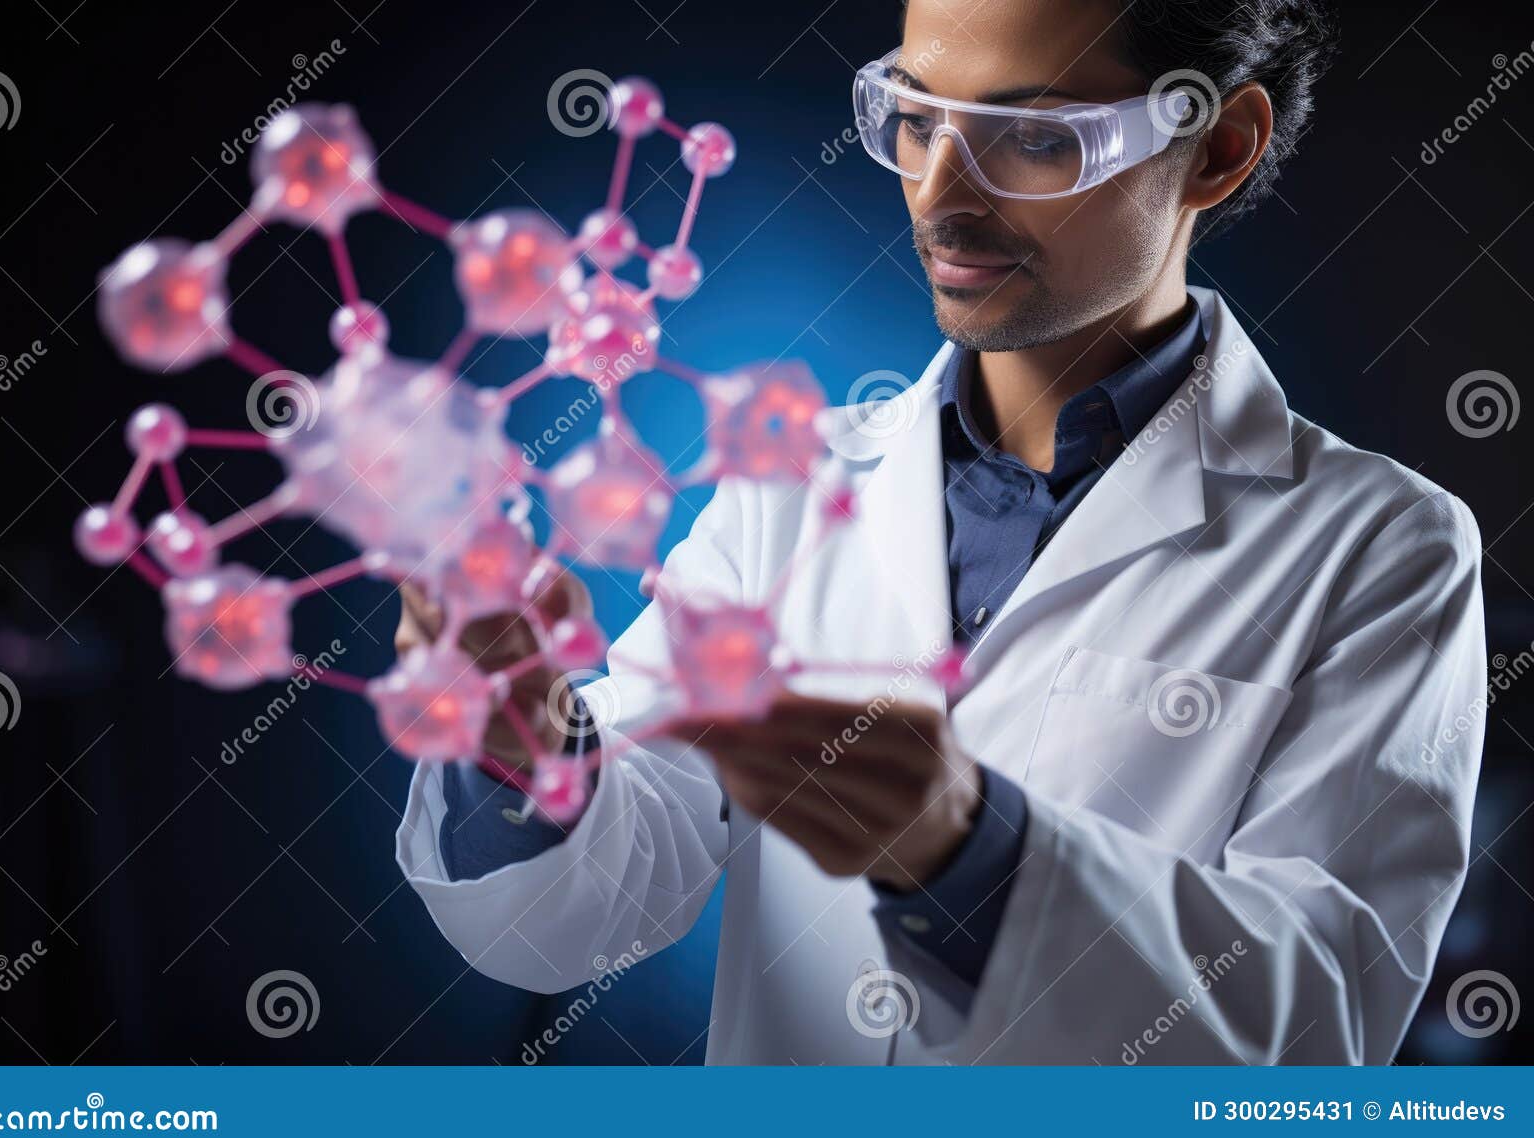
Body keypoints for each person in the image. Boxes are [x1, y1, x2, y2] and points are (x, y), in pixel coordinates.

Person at [394, 0, 1485, 1064]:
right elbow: (574, 917)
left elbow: (1315, 1036)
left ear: (1215, 148)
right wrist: (520, 737)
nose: (939, 196)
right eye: (916, 119)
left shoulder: (1381, 550)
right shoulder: (792, 484)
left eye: (1030, 137)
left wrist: (971, 857)